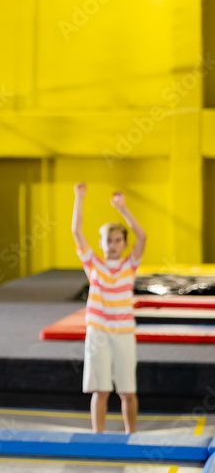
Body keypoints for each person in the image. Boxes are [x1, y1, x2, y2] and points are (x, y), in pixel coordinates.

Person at [71, 183, 146, 433]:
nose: (112, 244)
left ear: (124, 244)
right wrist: (79, 198)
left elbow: (142, 236)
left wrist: (123, 209)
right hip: (99, 330)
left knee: (128, 391)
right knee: (100, 390)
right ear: (101, 244)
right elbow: (76, 231)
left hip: (123, 332)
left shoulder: (130, 265)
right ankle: (98, 436)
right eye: (108, 240)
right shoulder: (93, 264)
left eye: (117, 240)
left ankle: (131, 434)